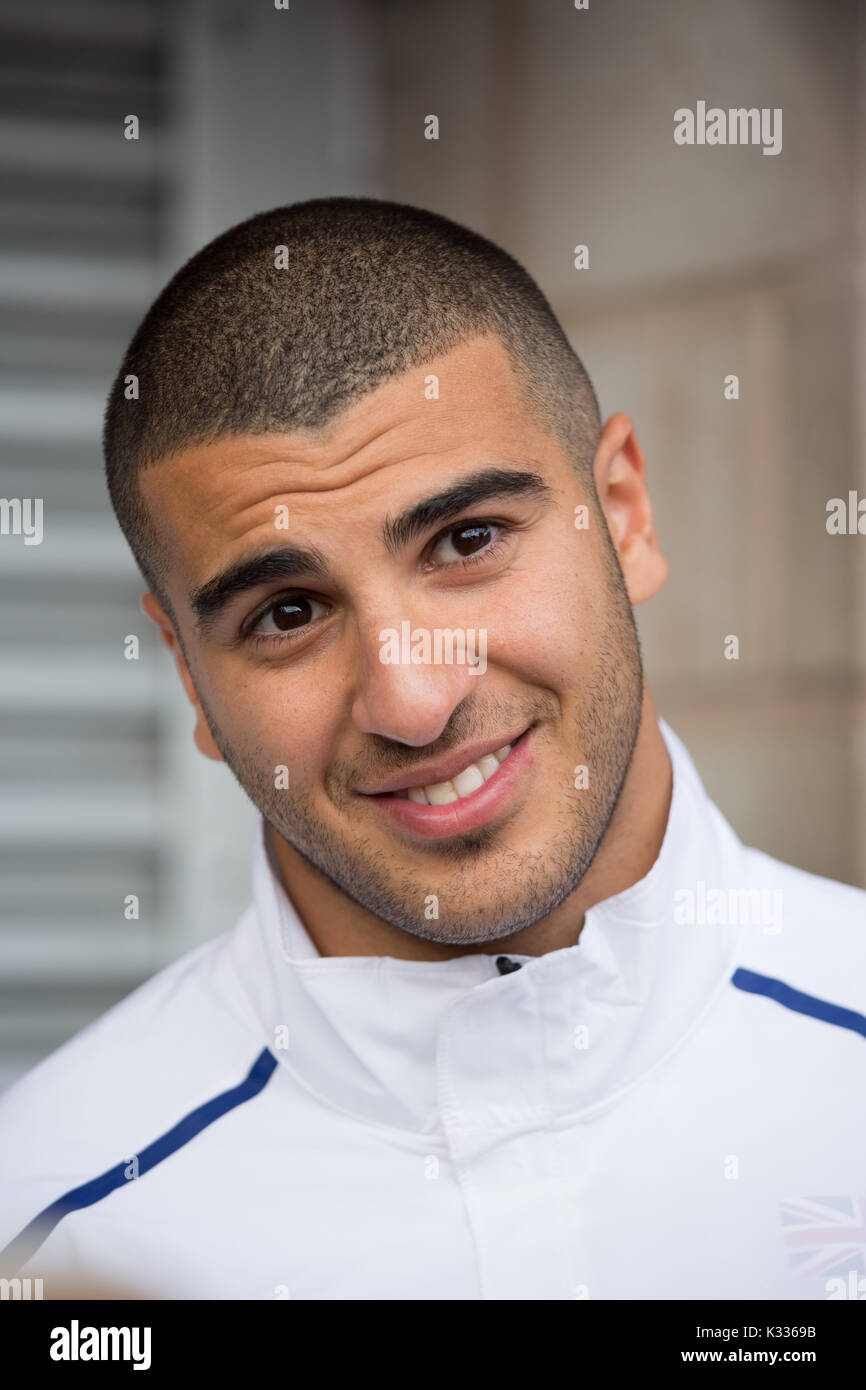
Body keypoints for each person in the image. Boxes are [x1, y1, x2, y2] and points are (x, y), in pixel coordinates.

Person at [1, 199, 863, 1300]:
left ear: (624, 513)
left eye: (466, 541)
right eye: (286, 613)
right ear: (190, 679)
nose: (410, 698)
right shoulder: (54, 1233)